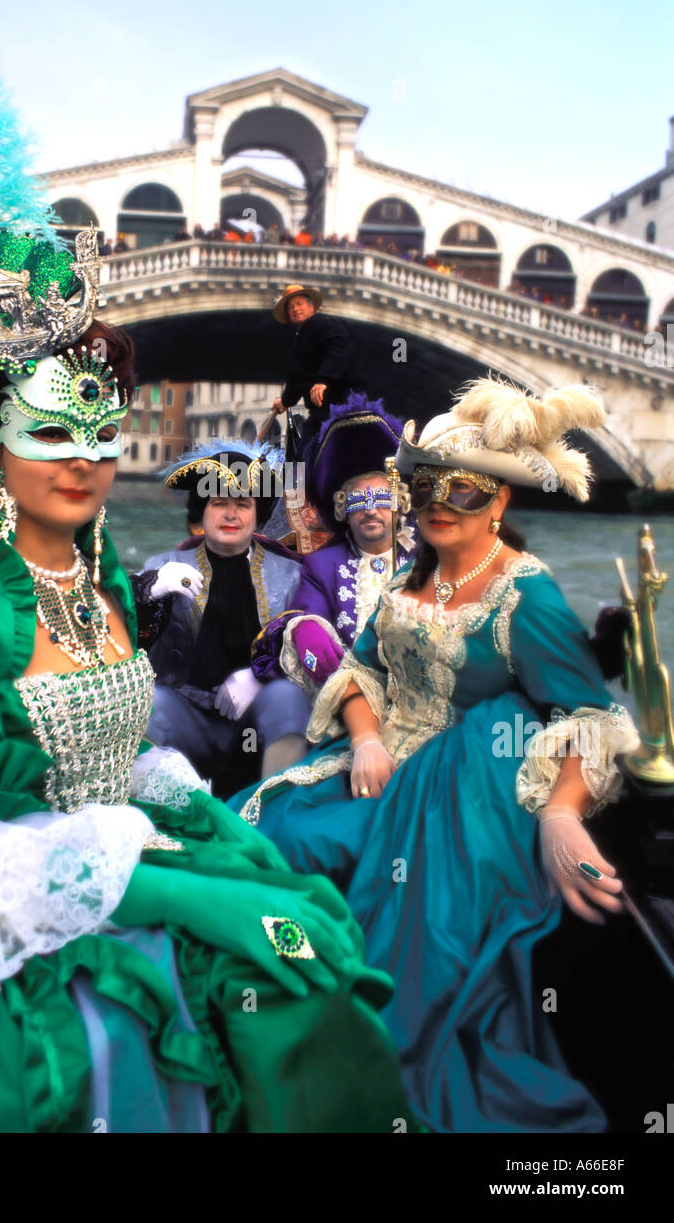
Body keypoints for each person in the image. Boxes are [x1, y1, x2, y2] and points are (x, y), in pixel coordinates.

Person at [0, 229, 414, 1135]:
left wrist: (204, 820)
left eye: (102, 434)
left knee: (312, 943)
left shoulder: (99, 577)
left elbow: (119, 748)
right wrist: (175, 891)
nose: (84, 461)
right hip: (4, 893)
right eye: (50, 431)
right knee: (270, 997)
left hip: (126, 837)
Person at [231, 376, 641, 1133]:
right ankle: (263, 1002)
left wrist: (561, 812)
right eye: (424, 489)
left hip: (455, 793)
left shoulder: (525, 596)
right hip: (377, 762)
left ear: (499, 501)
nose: (438, 504)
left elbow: (591, 715)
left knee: (319, 852)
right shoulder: (409, 581)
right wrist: (362, 738)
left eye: (463, 491)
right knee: (263, 830)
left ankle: (337, 1036)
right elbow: (359, 672)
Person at [133, 441, 312, 792]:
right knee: (151, 703)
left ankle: (273, 810)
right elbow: (123, 637)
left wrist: (261, 676)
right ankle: (155, 810)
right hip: (188, 722)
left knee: (287, 698)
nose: (231, 514)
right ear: (202, 512)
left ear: (256, 516)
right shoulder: (163, 567)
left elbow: (307, 649)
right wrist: (148, 591)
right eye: (219, 503)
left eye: (242, 504)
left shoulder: (292, 575)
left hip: (257, 726)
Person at [252, 393, 416, 695]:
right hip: (346, 695)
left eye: (381, 499)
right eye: (358, 501)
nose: (370, 510)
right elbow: (305, 613)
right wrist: (304, 628)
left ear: (398, 504)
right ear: (343, 511)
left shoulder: (428, 560)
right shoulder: (321, 565)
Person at [270, 283, 356, 449]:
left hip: (339, 406)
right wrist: (285, 401)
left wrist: (323, 380)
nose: (295, 309)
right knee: (304, 451)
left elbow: (338, 347)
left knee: (305, 453)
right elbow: (297, 378)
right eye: (290, 307)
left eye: (299, 304)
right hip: (321, 412)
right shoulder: (301, 339)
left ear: (311, 307)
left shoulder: (322, 323)